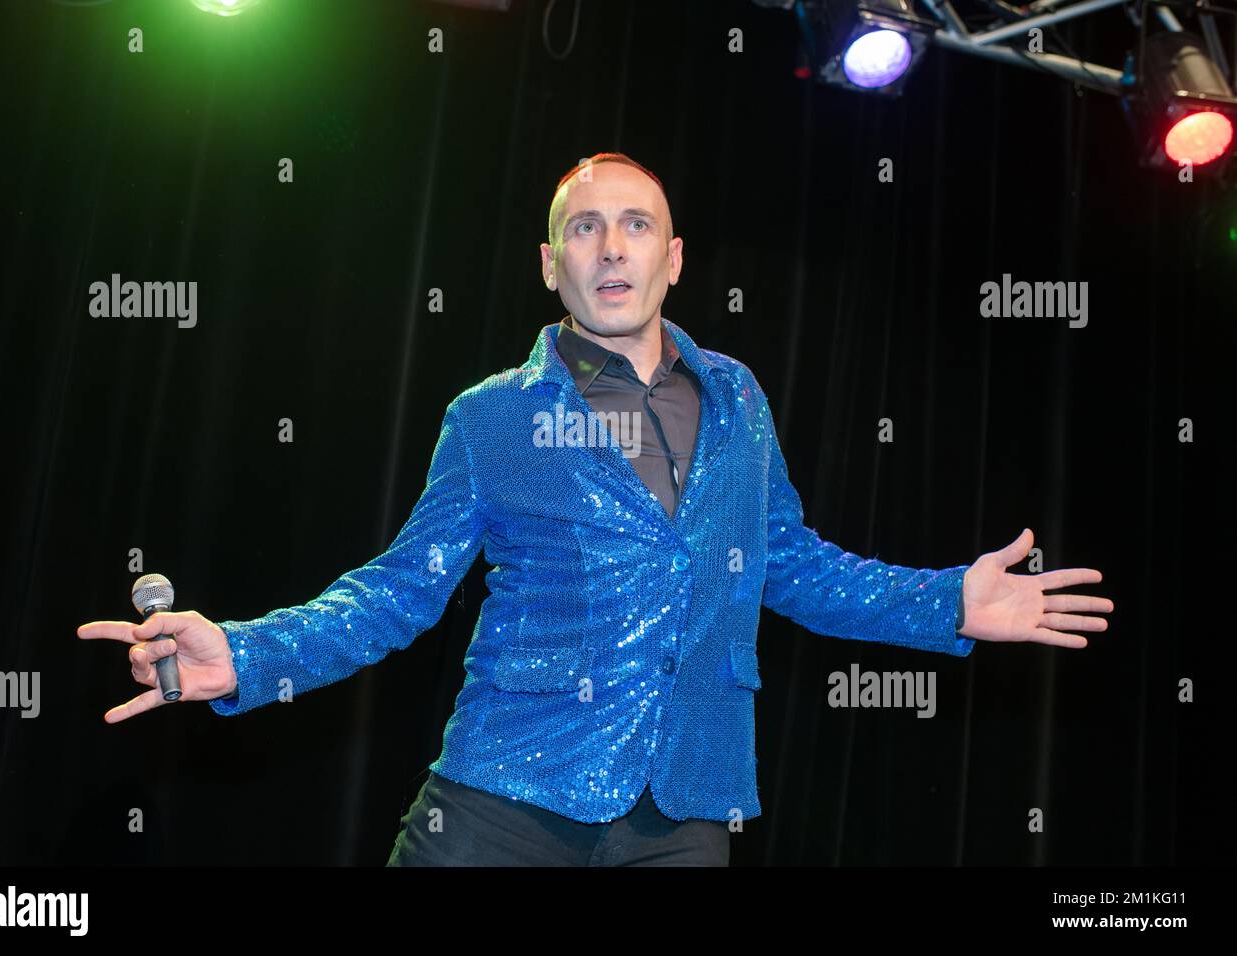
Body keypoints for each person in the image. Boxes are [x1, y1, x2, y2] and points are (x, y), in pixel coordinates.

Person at [77, 152, 1114, 866]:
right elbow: (397, 592)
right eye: (584, 227)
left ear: (672, 257)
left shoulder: (740, 398)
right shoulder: (491, 416)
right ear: (549, 264)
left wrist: (948, 604)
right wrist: (249, 654)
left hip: (686, 807)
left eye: (635, 226)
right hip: (507, 795)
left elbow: (787, 563)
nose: (610, 246)